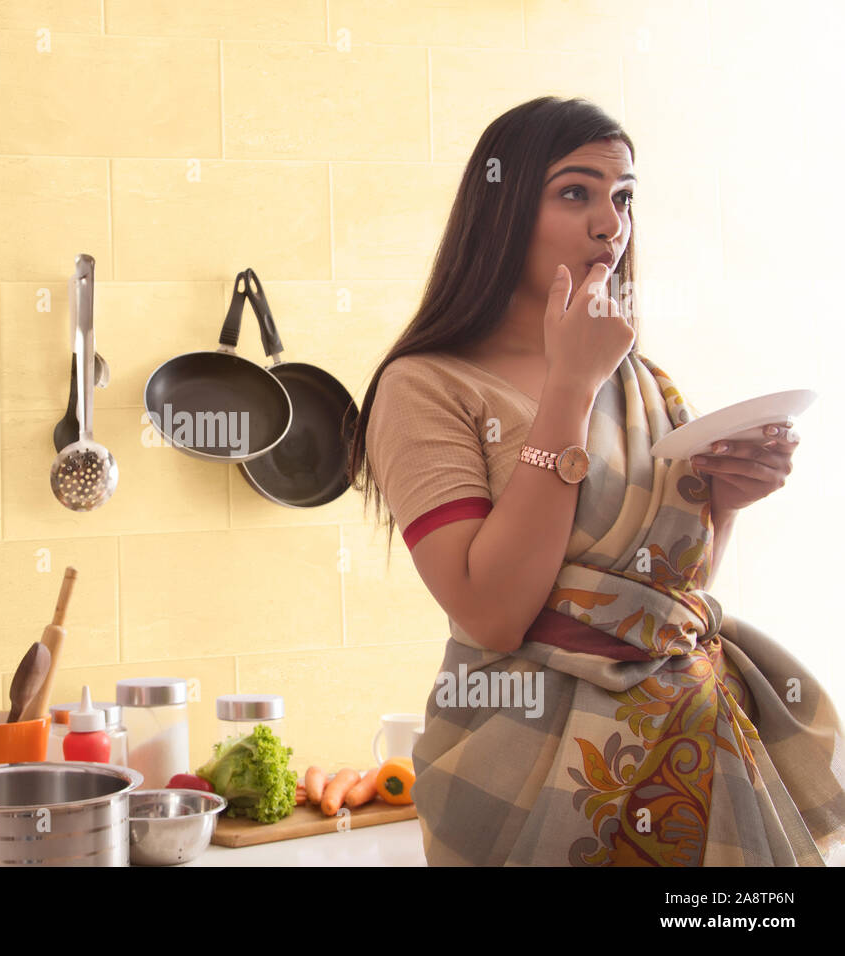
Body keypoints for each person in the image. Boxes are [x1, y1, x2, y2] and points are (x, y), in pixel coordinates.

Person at [347, 95, 845, 866]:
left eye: (623, 197)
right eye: (575, 193)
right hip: (525, 766)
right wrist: (570, 389)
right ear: (502, 208)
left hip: (693, 754)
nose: (609, 223)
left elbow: (662, 594)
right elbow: (493, 614)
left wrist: (728, 504)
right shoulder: (426, 388)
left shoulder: (641, 379)